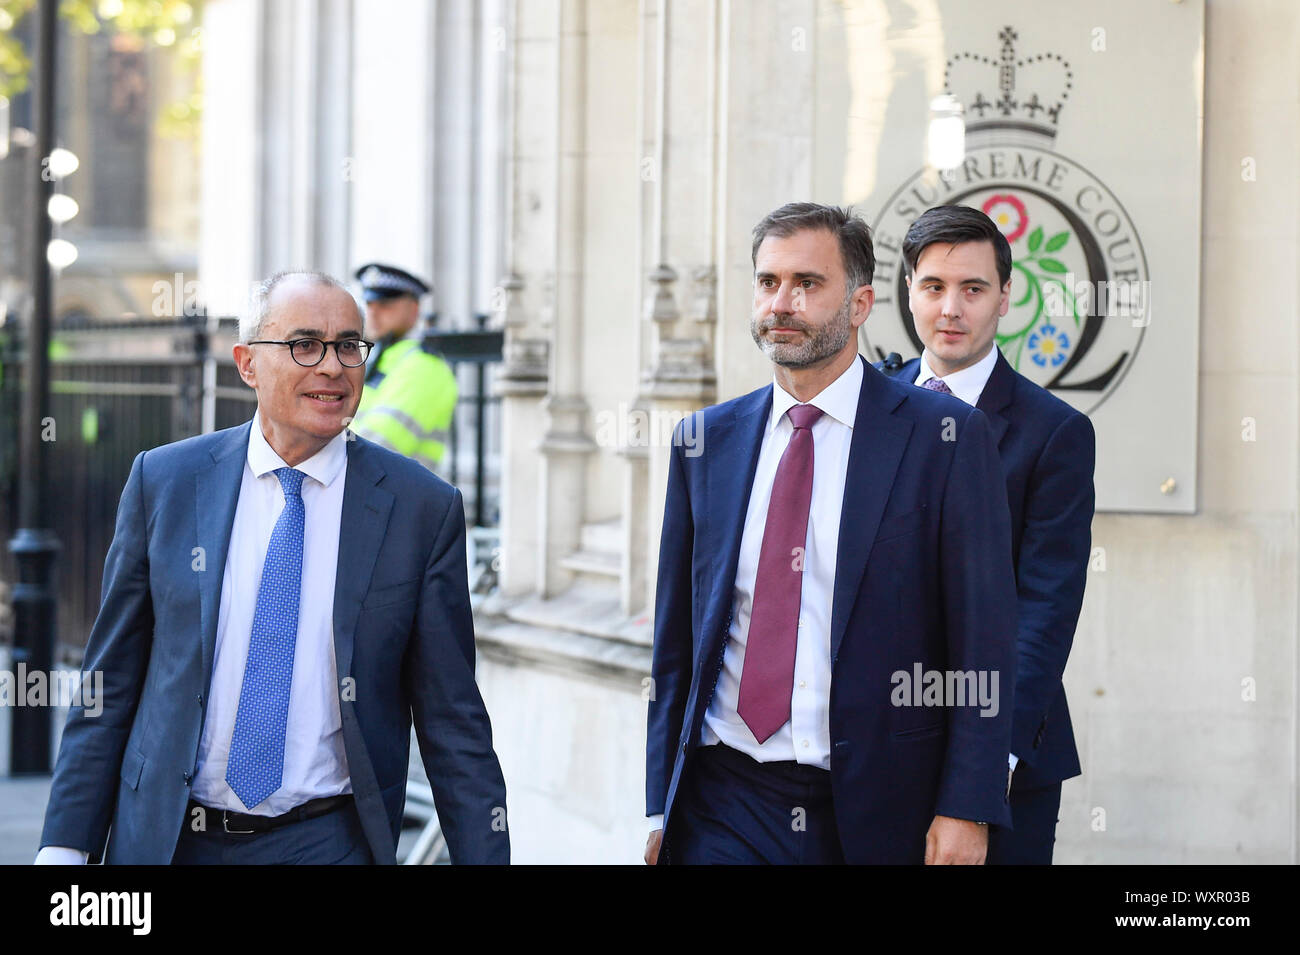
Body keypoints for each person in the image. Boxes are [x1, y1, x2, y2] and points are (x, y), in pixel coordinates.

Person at [36, 271, 508, 865]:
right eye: (304, 345)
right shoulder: (167, 482)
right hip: (168, 839)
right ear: (247, 363)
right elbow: (111, 680)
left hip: (330, 841)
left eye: (348, 346)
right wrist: (65, 846)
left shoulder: (422, 510)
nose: (333, 366)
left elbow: (452, 719)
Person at [644, 202, 1018, 865]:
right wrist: (658, 802)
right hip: (723, 795)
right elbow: (675, 640)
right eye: (768, 282)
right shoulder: (705, 442)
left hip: (876, 806)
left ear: (860, 303)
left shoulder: (944, 440)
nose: (782, 302)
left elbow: (982, 639)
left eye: (808, 284)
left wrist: (967, 803)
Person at [877, 204, 1095, 864]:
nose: (951, 308)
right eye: (934, 286)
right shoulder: (863, 407)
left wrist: (982, 775)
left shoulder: (1053, 432)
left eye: (973, 289)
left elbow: (1044, 611)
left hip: (1001, 764)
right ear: (908, 289)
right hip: (873, 752)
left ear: (1005, 297)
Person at [350, 262, 457, 471]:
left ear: (414, 310)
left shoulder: (424, 366)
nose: (373, 312)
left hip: (396, 496)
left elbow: (377, 447)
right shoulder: (381, 357)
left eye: (385, 305)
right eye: (369, 304)